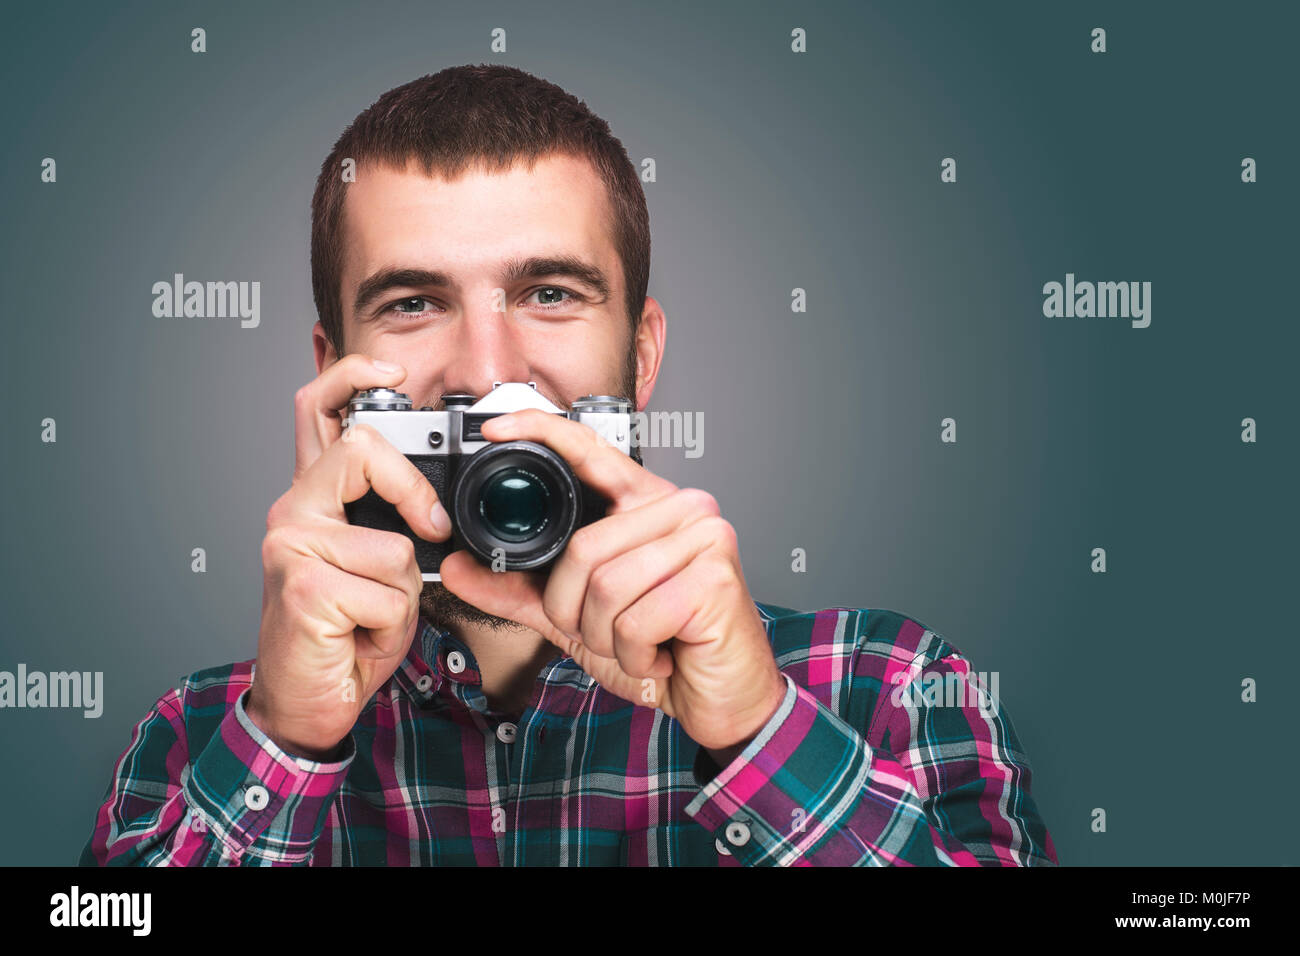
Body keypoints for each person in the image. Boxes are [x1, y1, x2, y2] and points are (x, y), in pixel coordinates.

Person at [80, 64, 1057, 866]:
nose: (489, 374)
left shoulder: (891, 689)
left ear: (640, 355)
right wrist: (286, 743)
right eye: (414, 303)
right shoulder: (197, 734)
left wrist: (756, 732)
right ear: (333, 376)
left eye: (548, 291)